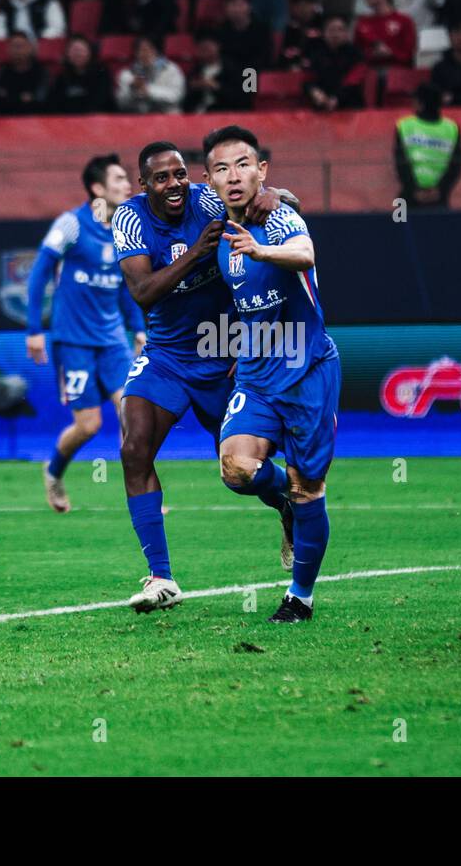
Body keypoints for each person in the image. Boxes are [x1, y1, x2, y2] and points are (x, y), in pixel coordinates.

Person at [110, 143, 298, 612]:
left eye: (179, 175)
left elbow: (277, 203)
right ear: (143, 184)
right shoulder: (129, 219)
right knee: (133, 449)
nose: (173, 185)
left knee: (240, 472)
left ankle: (287, 502)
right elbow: (142, 292)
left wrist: (274, 193)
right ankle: (161, 578)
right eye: (160, 178)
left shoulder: (210, 199)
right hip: (167, 357)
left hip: (223, 353)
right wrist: (197, 253)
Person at [204, 125, 341, 623]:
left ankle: (300, 596)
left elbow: (306, 253)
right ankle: (285, 501)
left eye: (244, 165)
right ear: (209, 179)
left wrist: (263, 248)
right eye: (222, 168)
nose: (233, 176)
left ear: (261, 170)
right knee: (236, 469)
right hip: (258, 373)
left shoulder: (278, 217)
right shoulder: (214, 212)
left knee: (311, 487)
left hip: (307, 372)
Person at [26, 155, 145, 513]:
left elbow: (126, 285)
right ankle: (54, 472)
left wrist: (137, 328)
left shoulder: (126, 228)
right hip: (73, 341)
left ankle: (142, 497)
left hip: (112, 341)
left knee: (134, 415)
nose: (128, 185)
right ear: (97, 189)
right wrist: (34, 330)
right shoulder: (72, 225)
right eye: (120, 179)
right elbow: (38, 274)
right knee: (89, 425)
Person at [394, 84, 461, 208]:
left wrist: (414, 190)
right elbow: (456, 165)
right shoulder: (451, 127)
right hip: (438, 197)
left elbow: (401, 162)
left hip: (411, 196)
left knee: (400, 225)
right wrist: (441, 190)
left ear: (421, 103)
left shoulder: (404, 126)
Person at [302, 15, 365, 111]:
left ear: (346, 33)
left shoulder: (355, 54)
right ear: (324, 33)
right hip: (321, 106)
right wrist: (315, 92)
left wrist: (336, 99)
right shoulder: (316, 55)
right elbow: (308, 79)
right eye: (331, 30)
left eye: (340, 30)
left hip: (350, 106)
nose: (335, 34)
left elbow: (352, 81)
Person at [354, 0, 417, 67]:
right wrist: (372, 54)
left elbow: (409, 54)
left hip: (397, 72)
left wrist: (390, 53)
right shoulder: (362, 22)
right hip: (369, 73)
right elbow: (356, 54)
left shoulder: (404, 21)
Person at [45, 34, 114, 114]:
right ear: (67, 54)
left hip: (96, 119)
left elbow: (101, 102)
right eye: (74, 50)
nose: (78, 54)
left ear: (90, 52)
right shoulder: (61, 77)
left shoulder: (101, 73)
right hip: (67, 121)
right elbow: (54, 104)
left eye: (81, 50)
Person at [115, 37, 186, 114]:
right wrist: (131, 89)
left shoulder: (171, 69)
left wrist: (148, 90)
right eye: (141, 50)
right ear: (135, 53)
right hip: (140, 118)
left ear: (157, 51)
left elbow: (176, 96)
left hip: (167, 117)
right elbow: (121, 103)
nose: (145, 53)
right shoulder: (128, 73)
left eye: (149, 49)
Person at [184, 34, 251, 112]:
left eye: (209, 45)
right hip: (198, 112)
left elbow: (240, 97)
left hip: (224, 112)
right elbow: (187, 97)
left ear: (218, 46)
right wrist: (195, 87)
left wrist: (216, 86)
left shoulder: (231, 68)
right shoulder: (195, 70)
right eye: (201, 46)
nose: (205, 48)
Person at [0, 31, 48, 115]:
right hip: (6, 121)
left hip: (35, 121)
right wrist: (23, 98)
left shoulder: (41, 72)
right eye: (13, 46)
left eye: (20, 46)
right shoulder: (2, 73)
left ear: (30, 48)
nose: (17, 51)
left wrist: (10, 97)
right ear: (8, 49)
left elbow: (40, 101)